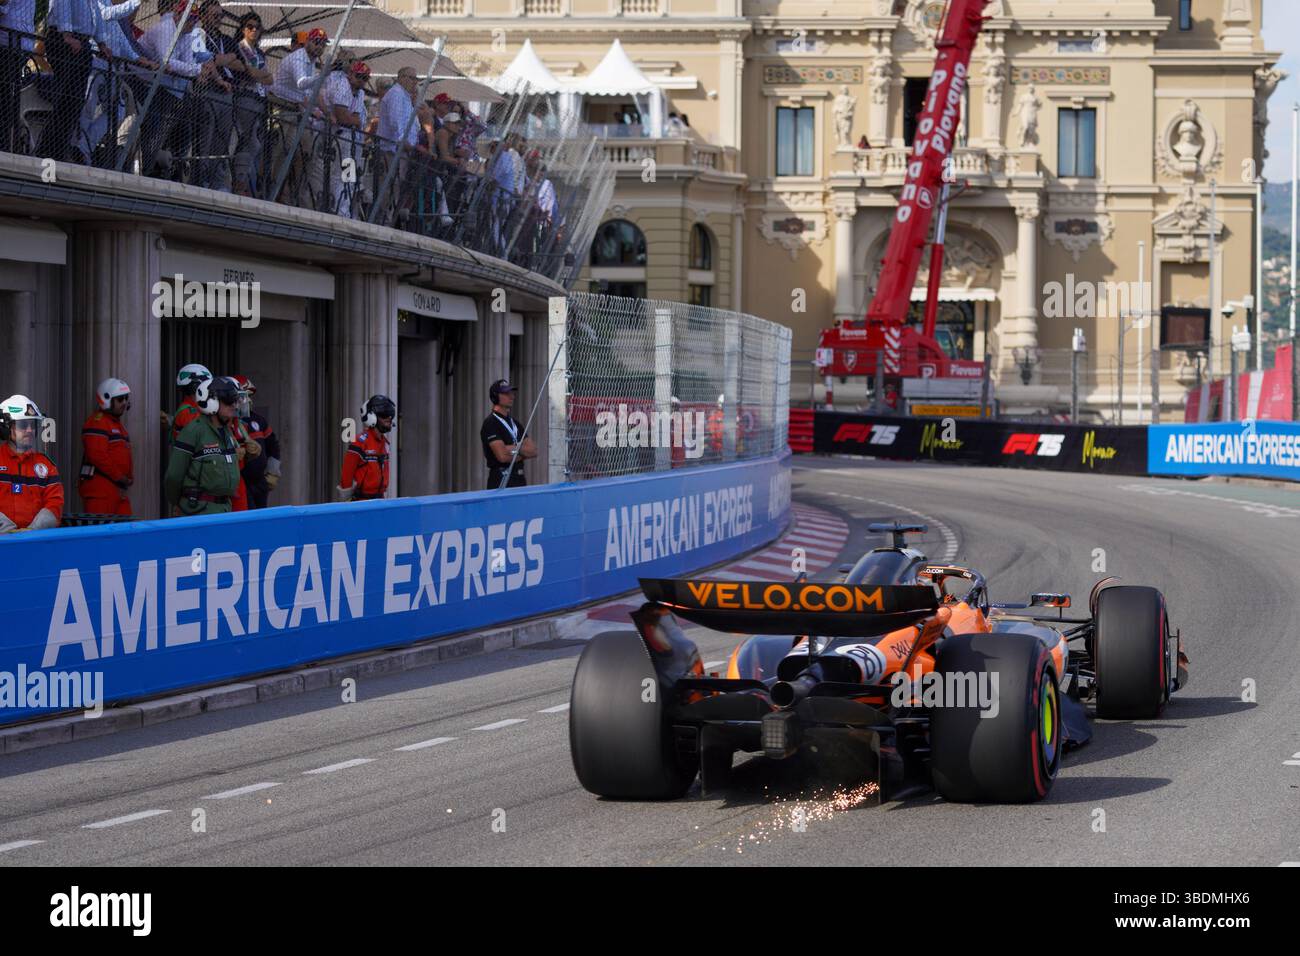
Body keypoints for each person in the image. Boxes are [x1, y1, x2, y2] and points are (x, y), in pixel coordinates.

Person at [164, 374, 240, 516]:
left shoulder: (227, 433)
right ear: (212, 402)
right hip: (199, 512)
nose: (234, 405)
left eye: (235, 400)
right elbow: (174, 476)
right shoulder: (194, 431)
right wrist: (178, 504)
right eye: (229, 401)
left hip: (225, 510)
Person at [0, 395, 63, 533]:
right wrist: (7, 531)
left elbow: (55, 504)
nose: (29, 430)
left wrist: (31, 532)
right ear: (5, 427)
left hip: (35, 543)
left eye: (33, 424)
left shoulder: (46, 466)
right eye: (23, 425)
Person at [231, 10, 272, 196]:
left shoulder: (259, 53)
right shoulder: (239, 47)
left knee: (253, 143)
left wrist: (257, 74)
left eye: (257, 27)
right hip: (243, 96)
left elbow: (269, 79)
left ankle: (242, 181)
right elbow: (252, 73)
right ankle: (237, 181)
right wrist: (257, 74)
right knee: (244, 141)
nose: (254, 30)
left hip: (257, 99)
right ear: (243, 29)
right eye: (250, 27)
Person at [78, 377, 133, 515]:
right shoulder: (98, 422)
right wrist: (120, 476)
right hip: (101, 491)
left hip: (117, 489)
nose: (124, 403)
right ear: (107, 400)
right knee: (101, 533)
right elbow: (97, 455)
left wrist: (128, 477)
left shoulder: (117, 425)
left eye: (126, 398)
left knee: (127, 532)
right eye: (120, 399)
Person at [233, 375, 280, 508]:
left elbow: (273, 446)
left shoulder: (259, 421)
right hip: (241, 483)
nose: (247, 400)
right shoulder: (229, 423)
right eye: (243, 396)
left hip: (260, 483)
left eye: (249, 396)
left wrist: (273, 473)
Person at [479, 379, 534, 490]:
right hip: (501, 479)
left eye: (511, 393)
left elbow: (533, 451)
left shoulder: (515, 423)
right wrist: (522, 450)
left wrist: (512, 449)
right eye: (506, 393)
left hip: (519, 479)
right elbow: (502, 456)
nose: (511, 396)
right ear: (495, 396)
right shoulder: (491, 423)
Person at [338, 394, 393, 501]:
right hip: (361, 503)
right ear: (372, 417)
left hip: (380, 501)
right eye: (384, 415)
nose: (389, 418)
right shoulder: (359, 443)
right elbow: (346, 478)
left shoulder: (385, 444)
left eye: (390, 415)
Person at [168, 362, 211, 443]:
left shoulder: (196, 408)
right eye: (206, 386)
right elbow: (205, 439)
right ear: (195, 387)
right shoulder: (188, 412)